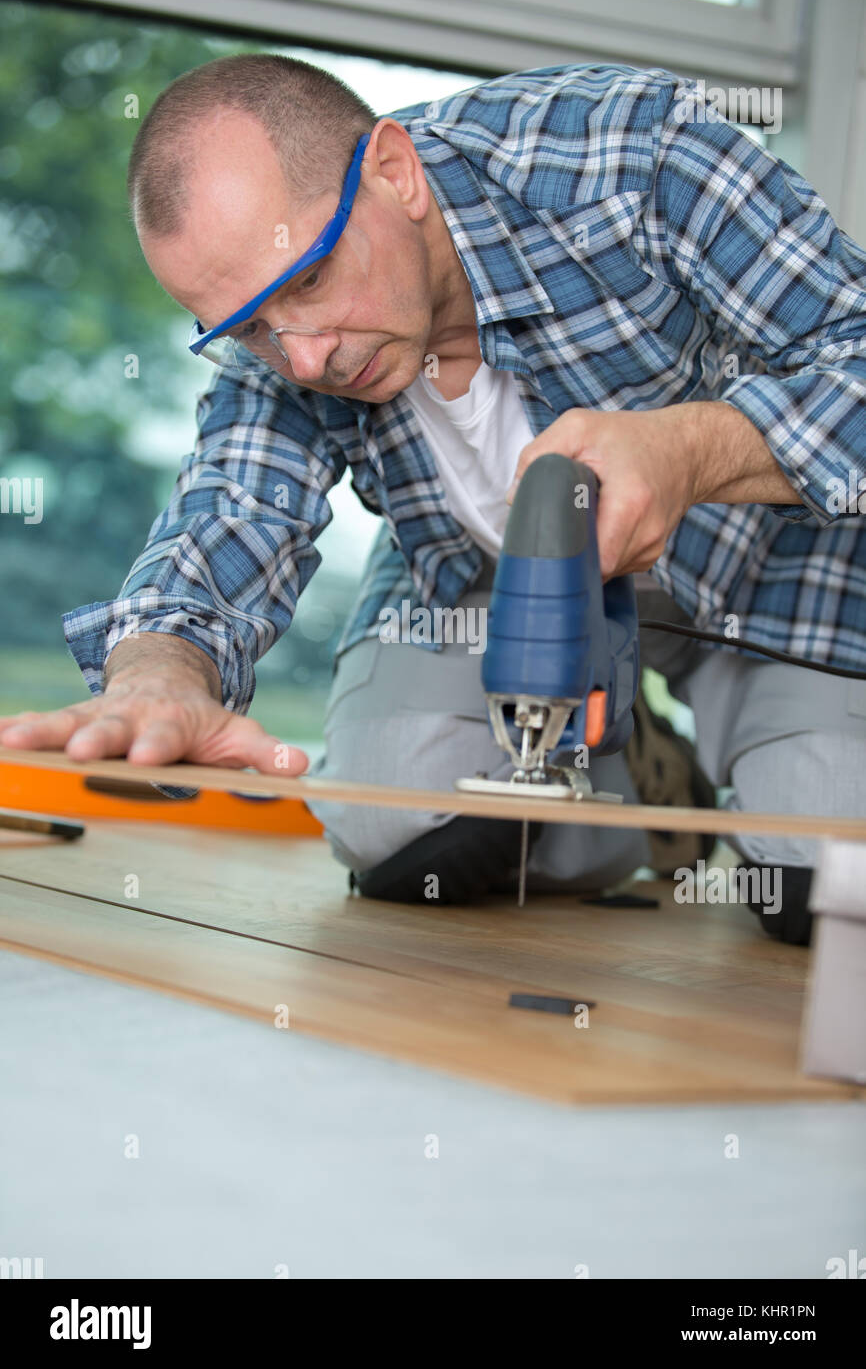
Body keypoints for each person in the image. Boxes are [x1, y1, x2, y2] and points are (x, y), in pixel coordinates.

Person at [3, 56, 865, 945]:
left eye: (308, 281)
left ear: (394, 172)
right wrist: (156, 676)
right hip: (485, 579)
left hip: (768, 564)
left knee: (820, 876)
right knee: (395, 828)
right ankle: (639, 786)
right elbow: (232, 506)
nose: (304, 360)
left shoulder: (637, 157)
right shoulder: (294, 342)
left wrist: (691, 448)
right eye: (251, 327)